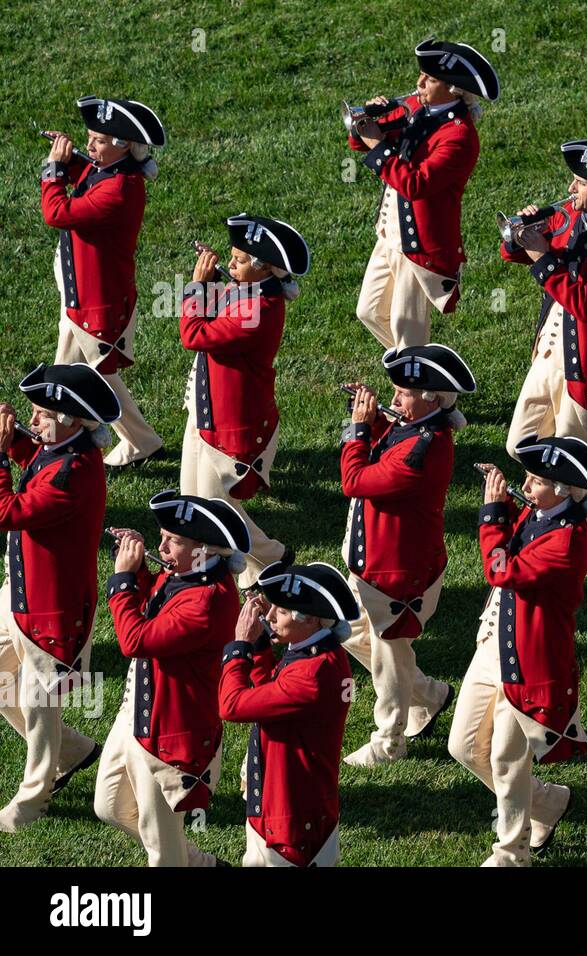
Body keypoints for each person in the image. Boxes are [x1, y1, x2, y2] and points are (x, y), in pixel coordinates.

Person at [448, 436, 587, 866]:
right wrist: (505, 506)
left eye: (535, 481)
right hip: (495, 642)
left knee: (506, 760)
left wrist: (491, 513)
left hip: (529, 660)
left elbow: (500, 569)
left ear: (562, 489)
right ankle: (548, 802)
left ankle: (512, 852)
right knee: (463, 746)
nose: (525, 486)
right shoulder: (541, 513)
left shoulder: (567, 541)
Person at [95, 491, 249, 866]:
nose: (161, 547)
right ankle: (198, 862)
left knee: (162, 852)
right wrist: (138, 570)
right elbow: (155, 601)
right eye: (161, 537)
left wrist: (122, 582)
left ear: (204, 550)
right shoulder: (187, 572)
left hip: (170, 737)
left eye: (173, 541)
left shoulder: (207, 603)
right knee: (109, 806)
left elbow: (135, 640)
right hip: (141, 711)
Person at [338, 344, 475, 766]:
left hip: (396, 578)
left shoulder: (422, 454)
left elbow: (355, 480)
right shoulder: (417, 427)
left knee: (389, 661)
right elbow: (392, 436)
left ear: (433, 399)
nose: (394, 400)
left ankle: (389, 742)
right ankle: (430, 695)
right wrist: (373, 418)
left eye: (403, 393)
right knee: (351, 633)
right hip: (375, 567)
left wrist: (358, 431)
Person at [0, 362, 119, 831]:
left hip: (52, 615)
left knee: (38, 709)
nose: (33, 419)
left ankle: (33, 799)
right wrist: (12, 439)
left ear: (72, 420)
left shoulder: (74, 475)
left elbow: (7, 512)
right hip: (21, 592)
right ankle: (74, 751)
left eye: (42, 414)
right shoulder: (64, 449)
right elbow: (36, 456)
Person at [500, 139, 587, 522]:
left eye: (579, 182)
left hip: (586, 368)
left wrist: (543, 257)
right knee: (520, 444)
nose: (570, 189)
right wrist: (520, 233)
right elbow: (514, 253)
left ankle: (576, 519)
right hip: (549, 356)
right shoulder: (570, 215)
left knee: (569, 460)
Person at [182, 214, 310, 587]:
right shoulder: (251, 290)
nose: (231, 264)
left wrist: (196, 286)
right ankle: (254, 564)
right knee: (197, 498)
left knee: (214, 508)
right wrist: (213, 283)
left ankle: (270, 558)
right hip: (208, 409)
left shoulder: (258, 311)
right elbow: (216, 310)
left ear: (264, 267)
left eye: (238, 260)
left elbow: (194, 334)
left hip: (230, 423)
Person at [40, 96, 166, 468]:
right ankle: (141, 442)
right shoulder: (112, 171)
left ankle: (57, 443)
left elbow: (57, 212)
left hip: (95, 303)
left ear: (123, 145)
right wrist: (71, 159)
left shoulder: (119, 190)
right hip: (84, 293)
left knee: (67, 379)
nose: (89, 145)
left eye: (97, 140)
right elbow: (89, 174)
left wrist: (53, 169)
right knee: (95, 373)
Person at [350, 39, 500, 348]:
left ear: (454, 90)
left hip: (418, 245)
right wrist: (367, 119)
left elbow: (415, 185)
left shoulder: (459, 136)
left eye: (429, 79)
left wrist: (378, 145)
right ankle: (418, 373)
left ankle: (416, 375)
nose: (419, 83)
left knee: (406, 329)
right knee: (368, 311)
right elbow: (361, 140)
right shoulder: (417, 106)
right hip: (389, 233)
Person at [220, 559, 357, 867]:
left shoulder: (311, 676)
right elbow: (272, 693)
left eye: (280, 611)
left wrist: (239, 647)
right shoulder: (315, 654)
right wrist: (260, 645)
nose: (269, 617)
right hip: (283, 812)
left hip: (290, 825)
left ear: (310, 619)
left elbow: (232, 705)